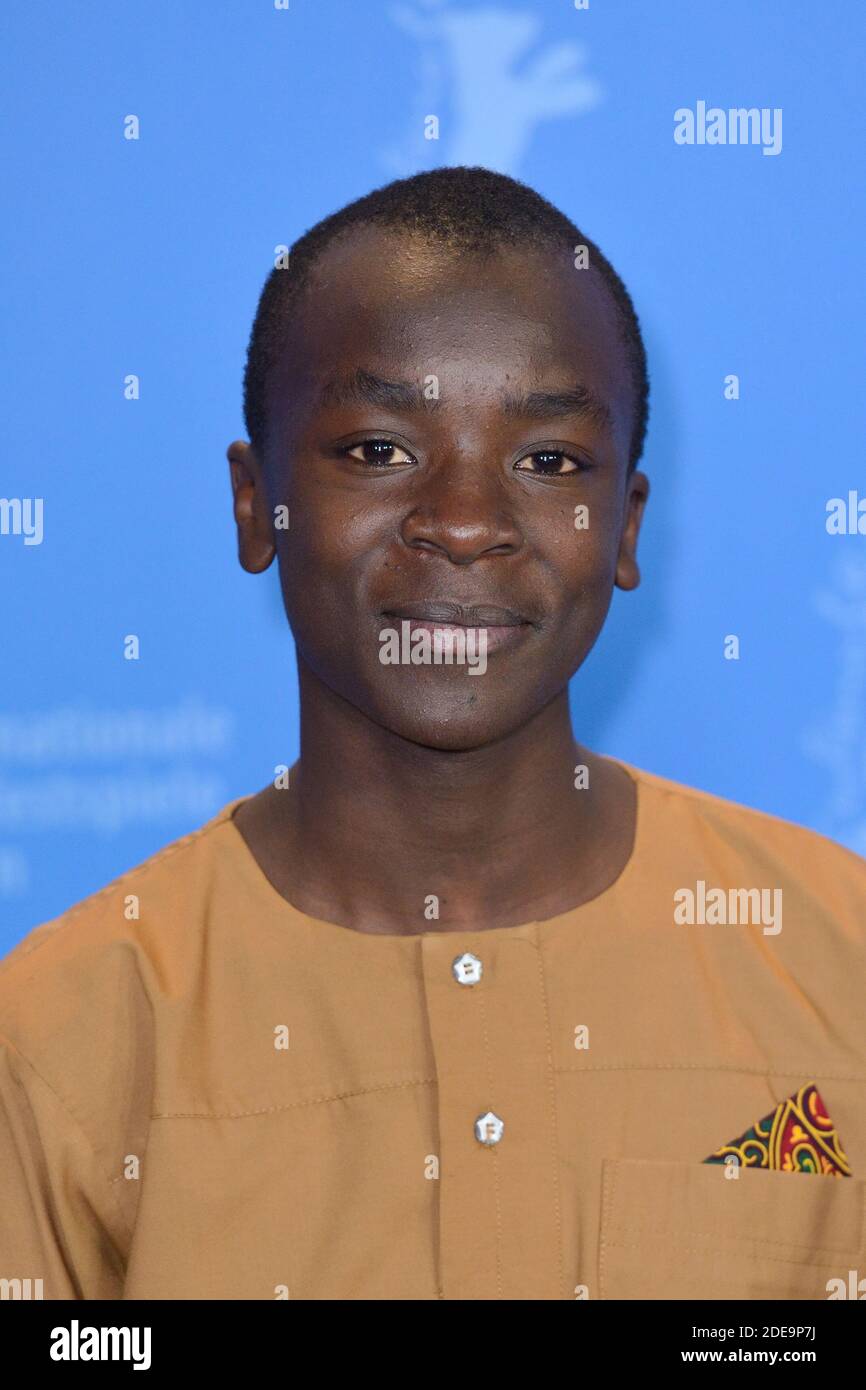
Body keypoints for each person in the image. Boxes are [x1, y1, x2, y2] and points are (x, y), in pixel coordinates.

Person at [1, 166, 864, 1302]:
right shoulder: (68, 1032)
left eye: (548, 461)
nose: (463, 523)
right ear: (255, 505)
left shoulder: (831, 965)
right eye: (377, 450)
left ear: (621, 526)